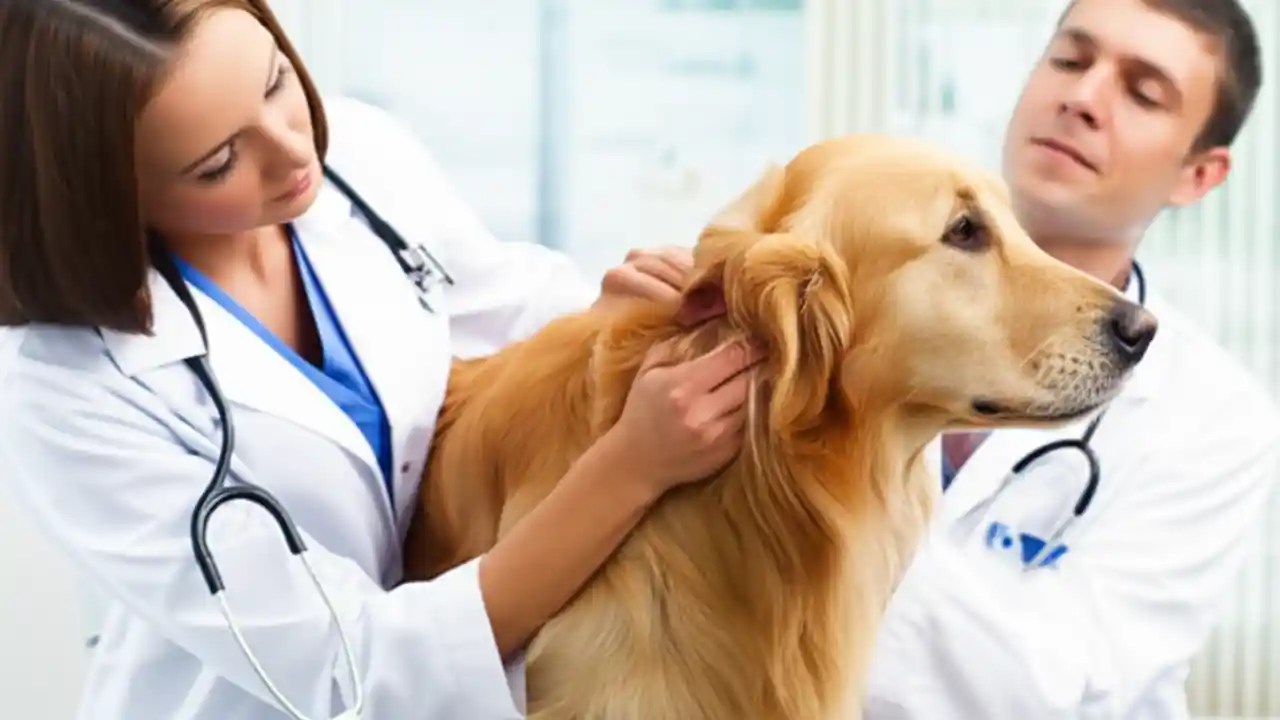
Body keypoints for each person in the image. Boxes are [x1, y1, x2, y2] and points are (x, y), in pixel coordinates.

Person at [0, 2, 760, 718]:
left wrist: (608, 323)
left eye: (275, 82)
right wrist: (632, 468)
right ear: (106, 195)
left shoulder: (360, 160)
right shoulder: (72, 388)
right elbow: (348, 665)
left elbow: (501, 312)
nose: (295, 151)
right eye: (220, 161)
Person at [862, 0, 1280, 717]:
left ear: (1199, 176)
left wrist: (829, 510)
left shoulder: (1214, 419)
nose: (1082, 99)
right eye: (1069, 59)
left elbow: (1065, 691)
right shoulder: (861, 296)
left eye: (1142, 92)